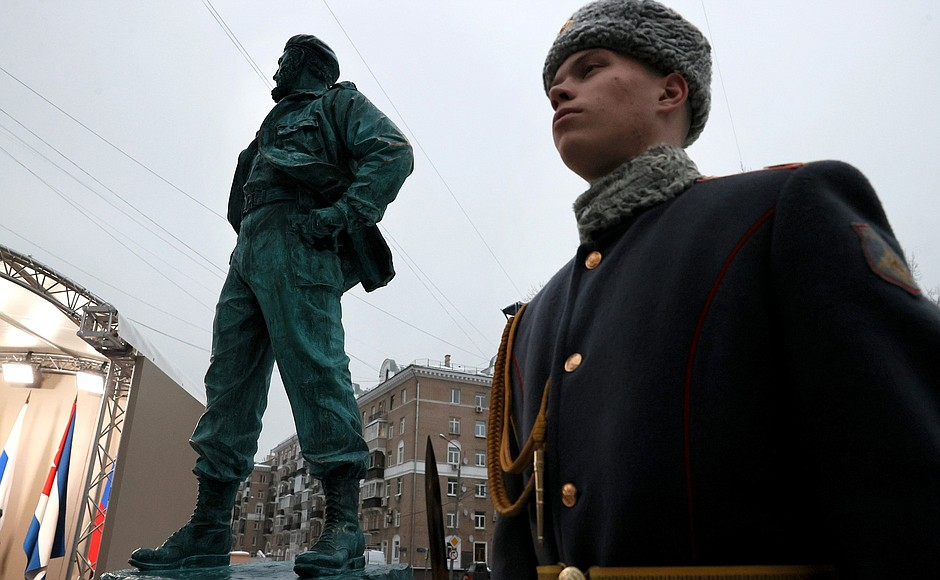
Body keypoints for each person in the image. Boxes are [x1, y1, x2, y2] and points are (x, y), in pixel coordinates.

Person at [486, 1, 940, 579]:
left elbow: (907, 472)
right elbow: (518, 549)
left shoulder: (779, 214)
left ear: (671, 92)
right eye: (554, 85)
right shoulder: (532, 321)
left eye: (590, 67)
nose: (560, 92)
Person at [129, 34, 413, 577]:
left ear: (308, 65)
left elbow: (392, 152)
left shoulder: (337, 104)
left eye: (285, 60)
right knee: (229, 381)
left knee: (316, 371)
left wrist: (341, 215)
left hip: (299, 242)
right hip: (252, 248)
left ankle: (344, 526)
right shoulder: (269, 125)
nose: (276, 69)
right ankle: (209, 526)